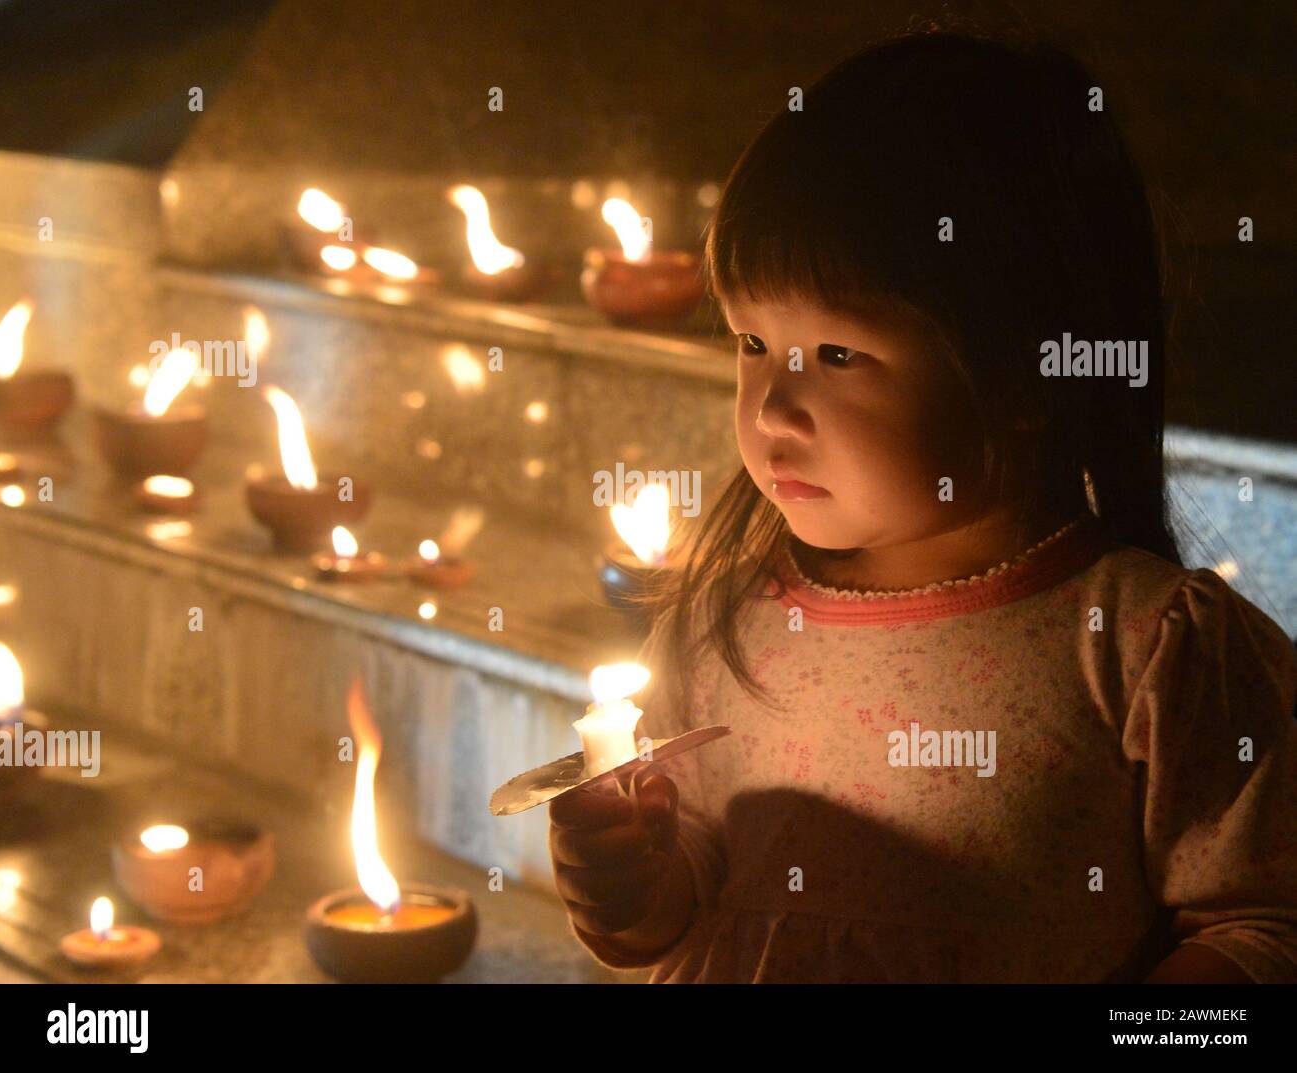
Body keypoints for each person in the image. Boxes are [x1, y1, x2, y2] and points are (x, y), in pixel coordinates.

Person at [548, 28, 1297, 983]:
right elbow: (688, 901)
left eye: (838, 354)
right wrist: (627, 884)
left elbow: (1260, 928)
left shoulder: (1146, 647)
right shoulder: (721, 626)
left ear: (1023, 376)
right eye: (751, 343)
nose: (771, 409)